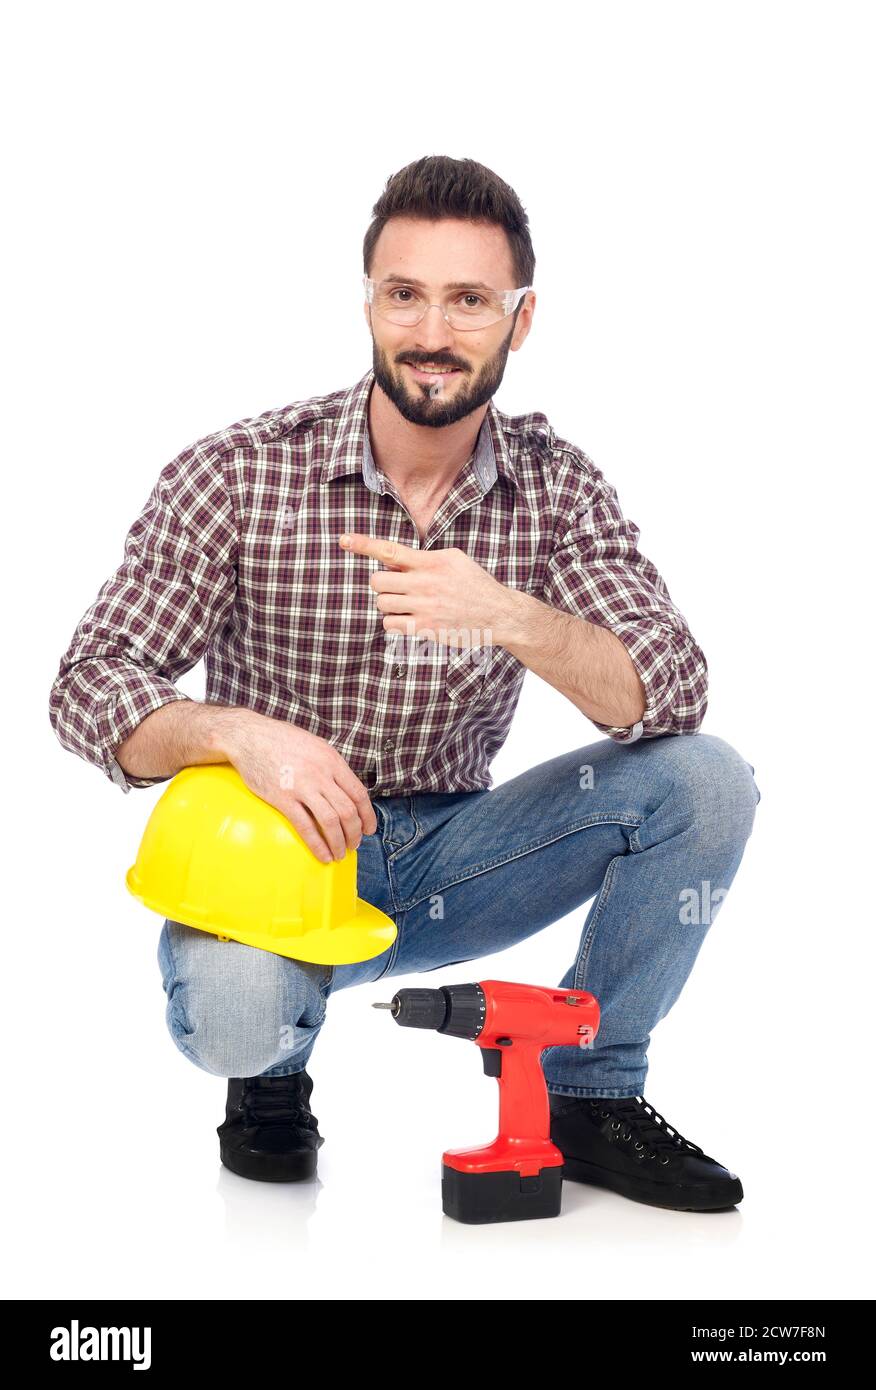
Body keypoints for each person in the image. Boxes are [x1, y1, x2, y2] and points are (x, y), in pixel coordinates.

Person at [48, 154, 760, 1212]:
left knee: (706, 781)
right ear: (370, 303)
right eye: (406, 294)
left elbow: (668, 693)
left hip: (459, 860)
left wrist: (507, 613)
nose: (433, 331)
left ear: (520, 321)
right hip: (279, 862)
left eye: (470, 299)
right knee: (239, 1017)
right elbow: (89, 685)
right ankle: (272, 1069)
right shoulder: (238, 472)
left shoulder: (556, 490)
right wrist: (239, 734)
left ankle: (593, 1089)